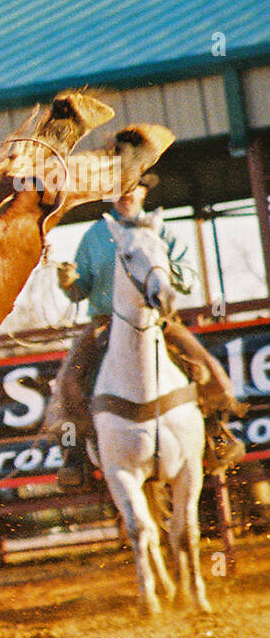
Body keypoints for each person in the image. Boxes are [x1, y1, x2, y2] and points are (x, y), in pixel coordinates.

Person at [50, 174, 246, 488]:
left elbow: (189, 277)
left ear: (143, 192)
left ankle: (217, 434)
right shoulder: (95, 236)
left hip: (158, 318)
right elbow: (79, 291)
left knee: (207, 371)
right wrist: (69, 282)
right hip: (104, 322)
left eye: (132, 188)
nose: (125, 194)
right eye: (118, 189)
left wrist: (166, 273)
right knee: (70, 381)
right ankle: (74, 454)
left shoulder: (162, 230)